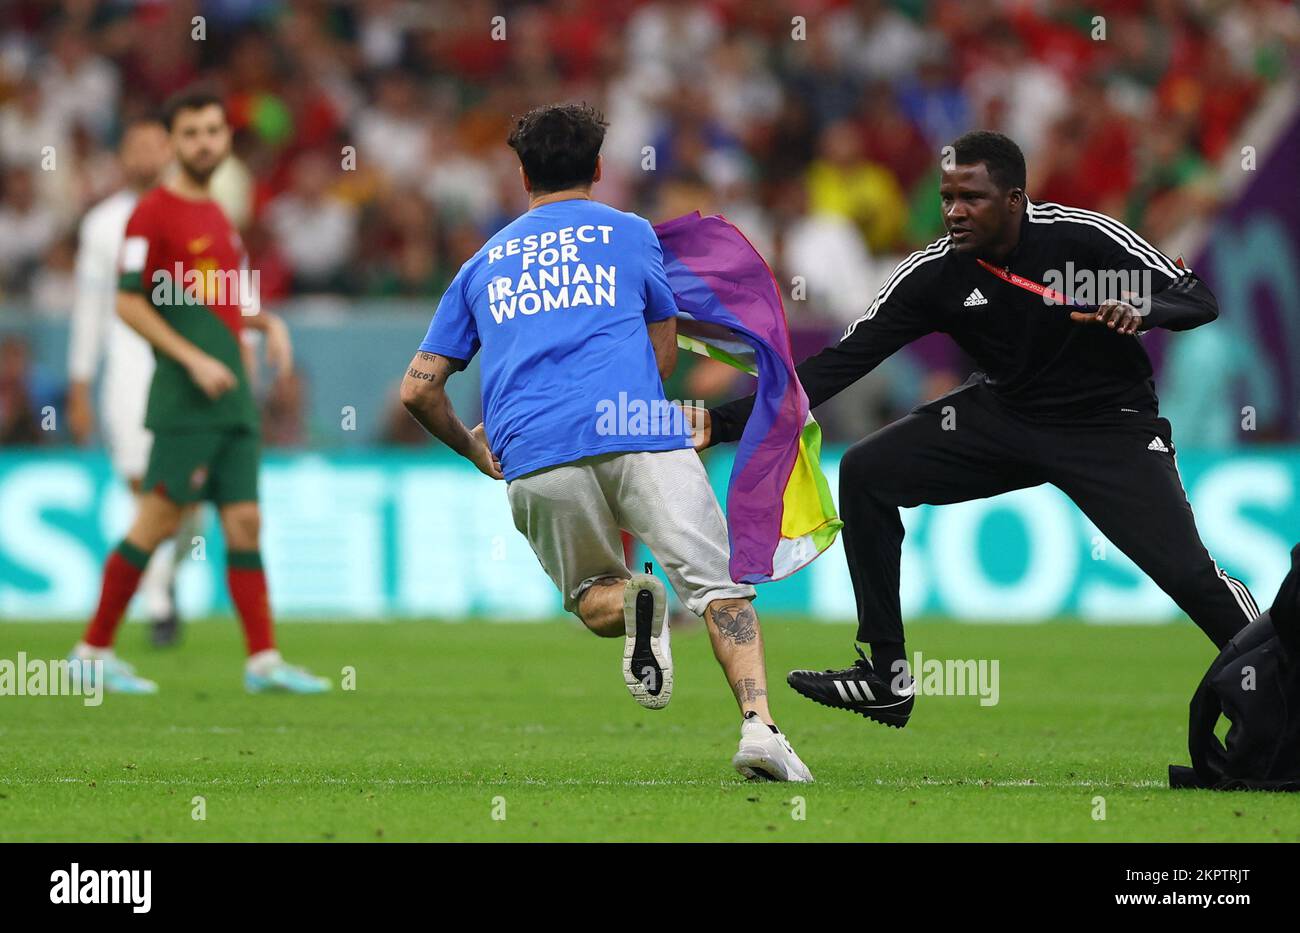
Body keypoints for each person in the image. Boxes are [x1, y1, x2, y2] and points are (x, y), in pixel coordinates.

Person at [689, 130, 1258, 728]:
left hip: (1108, 427)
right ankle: (886, 676)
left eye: (973, 198)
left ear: (1016, 199)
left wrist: (1143, 310)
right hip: (1005, 415)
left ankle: (1277, 672)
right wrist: (723, 421)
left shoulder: (1083, 237)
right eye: (948, 197)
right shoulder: (936, 274)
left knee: (1191, 577)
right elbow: (836, 365)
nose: (956, 211)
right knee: (866, 472)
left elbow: (1197, 297)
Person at [399, 103, 812, 781]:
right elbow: (665, 347)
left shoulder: (480, 263)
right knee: (719, 591)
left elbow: (418, 389)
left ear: (522, 173)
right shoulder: (629, 232)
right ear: (597, 168)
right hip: (638, 428)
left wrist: (476, 449)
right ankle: (760, 728)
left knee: (594, 593)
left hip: (533, 446)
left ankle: (633, 603)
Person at [70, 88, 329, 695]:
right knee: (156, 520)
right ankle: (91, 650)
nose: (204, 142)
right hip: (187, 398)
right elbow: (129, 301)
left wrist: (268, 323)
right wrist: (190, 358)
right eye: (191, 133)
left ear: (226, 140)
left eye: (214, 131)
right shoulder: (151, 213)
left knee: (244, 522)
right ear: (172, 143)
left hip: (232, 395)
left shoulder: (216, 216)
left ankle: (263, 661)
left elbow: (227, 303)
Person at [66, 116, 192, 647]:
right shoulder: (101, 223)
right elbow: (90, 309)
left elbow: (230, 296)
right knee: (145, 489)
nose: (145, 155)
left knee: (192, 508)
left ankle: (161, 582)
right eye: (135, 145)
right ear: (123, 155)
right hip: (127, 373)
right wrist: (79, 384)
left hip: (188, 373)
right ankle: (158, 602)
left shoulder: (197, 214)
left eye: (154, 145)